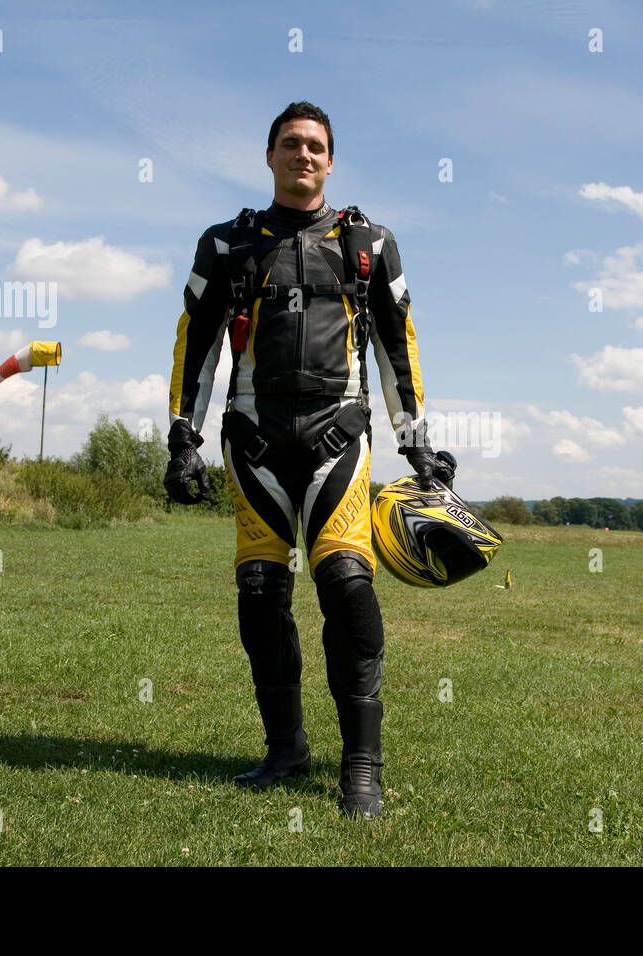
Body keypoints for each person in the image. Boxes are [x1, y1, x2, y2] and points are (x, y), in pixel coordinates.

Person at [163, 102, 455, 818]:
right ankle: (285, 746)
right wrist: (182, 438)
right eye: (291, 144)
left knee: (348, 584)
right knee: (261, 597)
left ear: (331, 161)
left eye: (316, 146)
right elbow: (193, 348)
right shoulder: (227, 245)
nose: (304, 155)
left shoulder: (369, 243)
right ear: (269, 157)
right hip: (254, 442)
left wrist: (415, 438)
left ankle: (362, 767)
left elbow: (398, 347)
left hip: (338, 441)